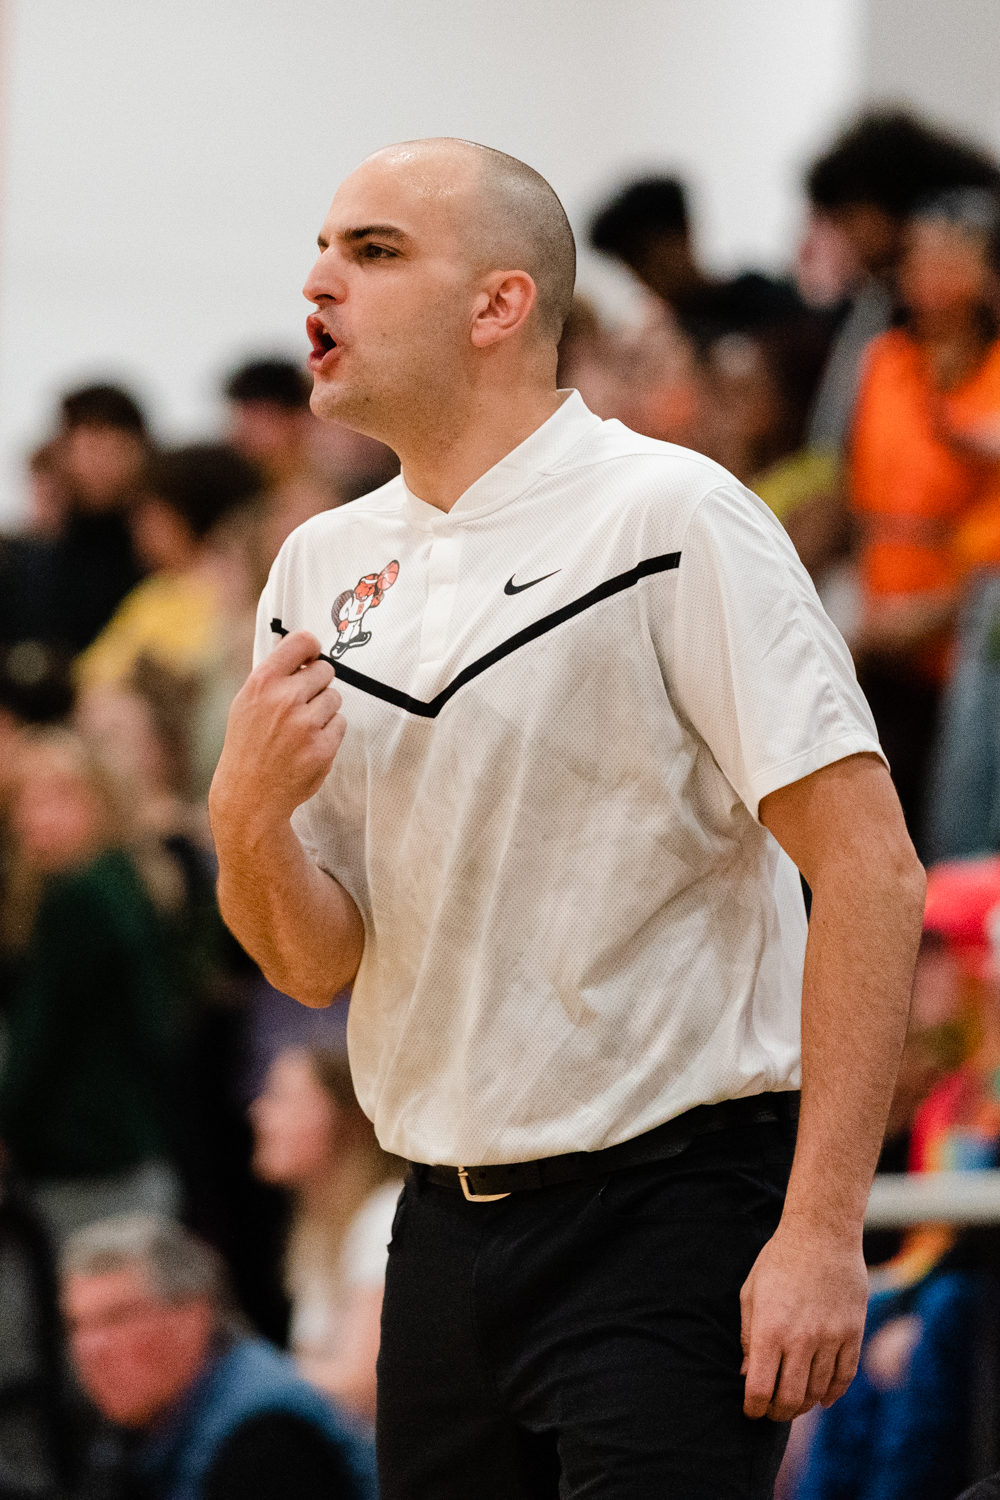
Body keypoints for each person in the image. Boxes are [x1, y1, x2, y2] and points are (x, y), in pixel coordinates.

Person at [209, 137, 925, 1497]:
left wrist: (825, 1229)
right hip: (435, 1222)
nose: (318, 283)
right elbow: (313, 960)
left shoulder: (671, 514)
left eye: (372, 253)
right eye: (321, 248)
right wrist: (245, 816)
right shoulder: (318, 563)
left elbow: (873, 875)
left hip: (669, 1213)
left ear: (500, 305)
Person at [848, 188, 1000, 852]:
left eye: (949, 257)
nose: (926, 273)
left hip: (968, 635)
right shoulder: (885, 361)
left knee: (953, 822)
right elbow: (859, 491)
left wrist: (936, 610)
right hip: (878, 621)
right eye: (918, 257)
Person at [0, 729, 180, 1245]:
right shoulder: (132, 880)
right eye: (26, 802)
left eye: (59, 798)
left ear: (101, 803)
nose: (36, 818)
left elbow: (39, 1040)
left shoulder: (81, 896)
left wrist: (6, 1123)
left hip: (87, 1161)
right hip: (136, 1146)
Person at [61, 1213, 376, 1500]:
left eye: (116, 1318)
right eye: (77, 1325)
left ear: (193, 1314)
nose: (91, 1348)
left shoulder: (270, 1438)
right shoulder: (135, 1427)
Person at [76, 443, 261, 801]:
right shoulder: (157, 592)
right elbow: (90, 679)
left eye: (148, 515)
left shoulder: (226, 590)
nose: (137, 529)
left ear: (184, 514)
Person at [250, 1045, 402, 1425]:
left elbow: (362, 1386)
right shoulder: (317, 1229)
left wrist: (234, 1374)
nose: (258, 1113)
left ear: (348, 1119)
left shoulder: (385, 1216)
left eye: (280, 1097)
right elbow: (311, 1365)